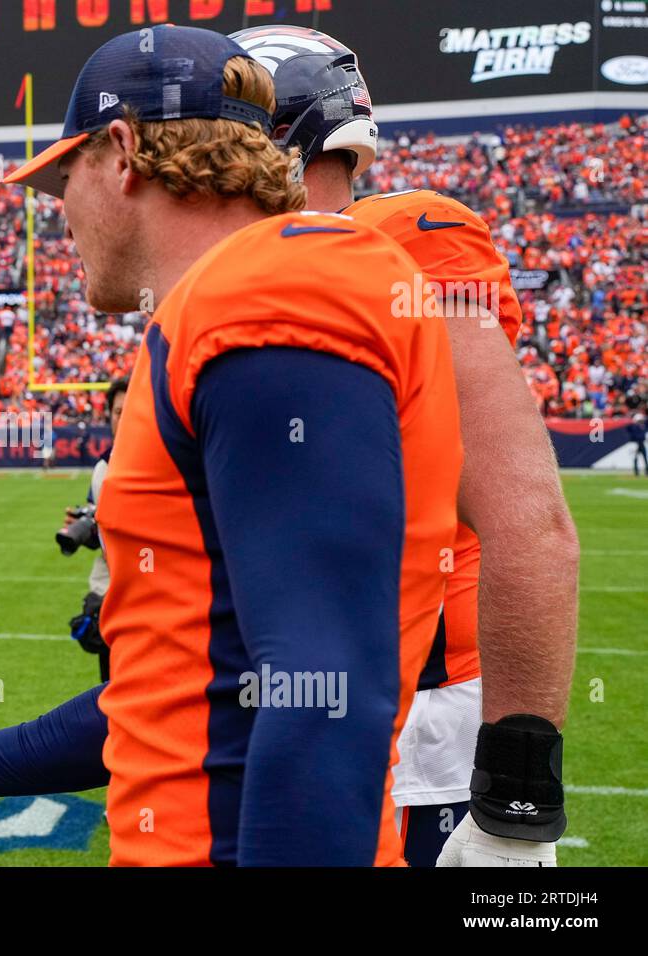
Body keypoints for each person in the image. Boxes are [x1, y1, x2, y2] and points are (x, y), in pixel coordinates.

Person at [0, 25, 463, 866]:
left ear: (124, 151)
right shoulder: (242, 297)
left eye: (65, 179)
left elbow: (323, 688)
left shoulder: (265, 298)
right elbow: (195, 680)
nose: (57, 213)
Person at [231, 24, 578, 867]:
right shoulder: (240, 276)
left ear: (273, 140)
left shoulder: (409, 242)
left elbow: (528, 524)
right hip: (294, 697)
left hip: (425, 709)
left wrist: (517, 796)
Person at [62, 378, 127, 682]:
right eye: (118, 412)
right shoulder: (103, 466)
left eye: (131, 410)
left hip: (152, 602)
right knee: (110, 697)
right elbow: (104, 532)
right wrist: (85, 530)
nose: (124, 419)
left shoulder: (169, 462)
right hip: (110, 597)